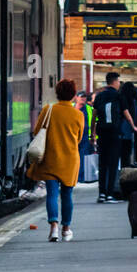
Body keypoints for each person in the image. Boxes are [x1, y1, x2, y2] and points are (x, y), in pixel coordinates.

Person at [27, 78, 85, 243]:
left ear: (57, 93)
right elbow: (79, 138)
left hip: (50, 159)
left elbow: (37, 131)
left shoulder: (48, 109)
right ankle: (66, 229)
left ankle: (53, 227)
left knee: (51, 194)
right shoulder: (78, 114)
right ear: (73, 95)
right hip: (70, 160)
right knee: (67, 195)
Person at [92, 72, 134, 203]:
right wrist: (133, 126)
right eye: (118, 82)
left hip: (102, 133)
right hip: (115, 133)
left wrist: (92, 134)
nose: (119, 84)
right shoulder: (119, 96)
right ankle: (110, 194)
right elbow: (126, 114)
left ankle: (102, 194)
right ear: (114, 82)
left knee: (103, 164)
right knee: (113, 164)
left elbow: (94, 116)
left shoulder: (99, 96)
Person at [117, 79, 137, 179]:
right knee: (136, 149)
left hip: (124, 130)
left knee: (124, 154)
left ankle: (124, 171)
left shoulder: (121, 99)